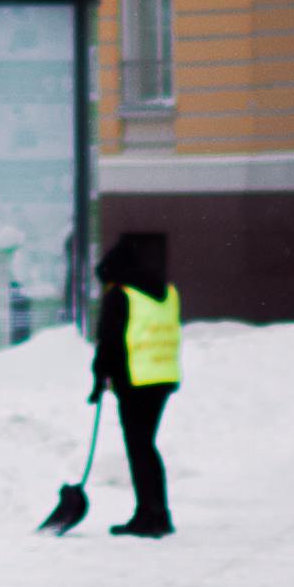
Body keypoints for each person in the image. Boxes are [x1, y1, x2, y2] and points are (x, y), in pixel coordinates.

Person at [93, 230, 184, 540]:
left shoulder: (120, 294)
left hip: (135, 381)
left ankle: (149, 516)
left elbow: (109, 342)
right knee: (146, 446)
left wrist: (99, 377)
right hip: (163, 377)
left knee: (140, 448)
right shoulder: (165, 291)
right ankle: (158, 513)